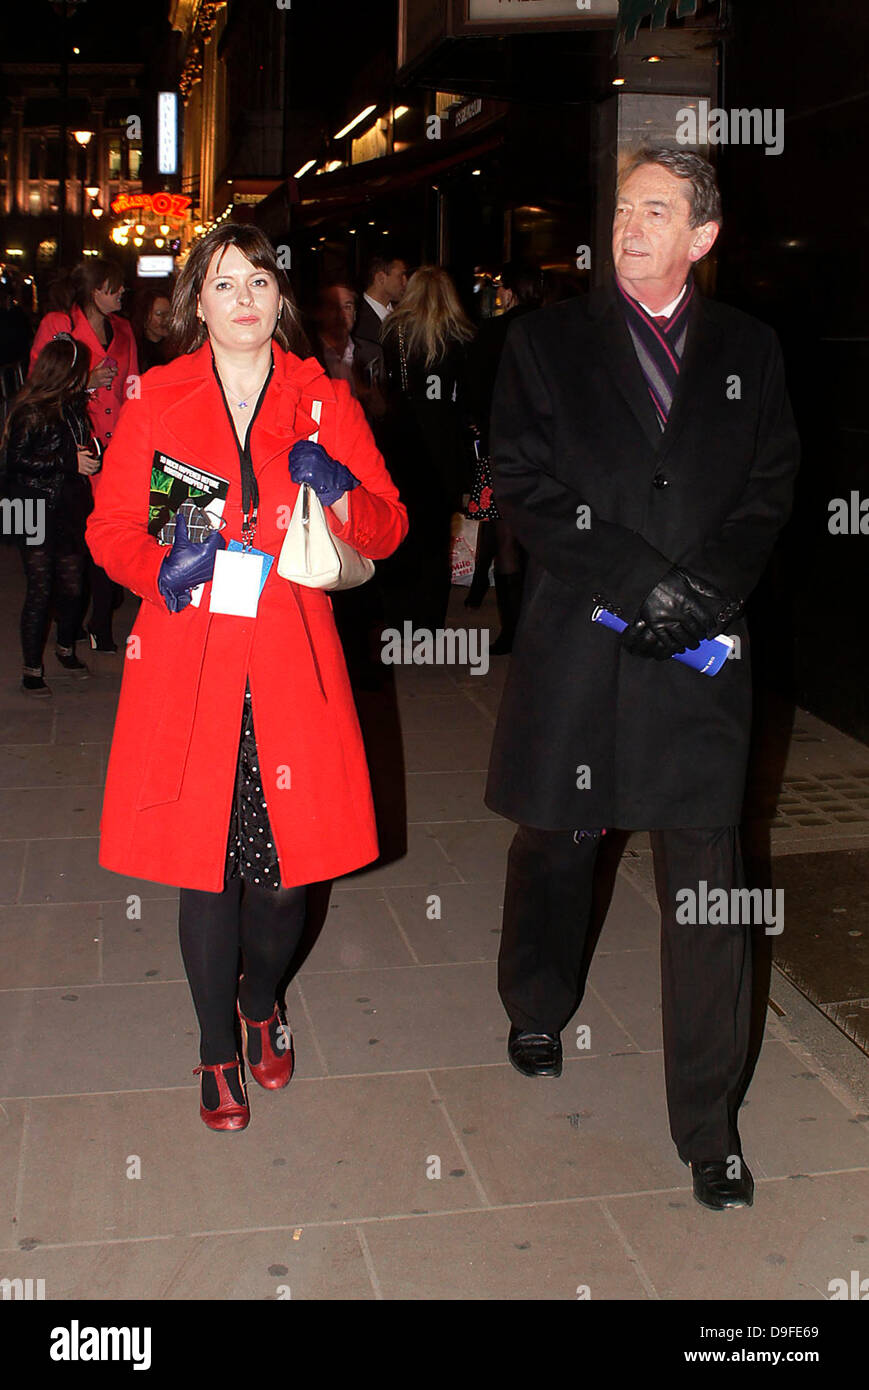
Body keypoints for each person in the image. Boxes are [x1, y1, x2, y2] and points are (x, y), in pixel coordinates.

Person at [484, 147, 800, 1211]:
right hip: (582, 645)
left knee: (707, 886)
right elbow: (516, 477)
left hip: (698, 663)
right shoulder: (544, 341)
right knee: (557, 846)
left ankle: (707, 1124)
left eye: (653, 211)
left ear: (699, 237)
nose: (627, 227)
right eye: (621, 208)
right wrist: (634, 578)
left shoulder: (750, 351)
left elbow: (767, 485)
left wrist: (701, 593)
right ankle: (535, 998)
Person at [85, 223, 407, 1132]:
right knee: (206, 870)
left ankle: (259, 1000)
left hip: (290, 659)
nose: (244, 299)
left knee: (283, 875)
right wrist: (159, 569)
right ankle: (215, 1048)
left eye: (259, 282)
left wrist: (339, 485)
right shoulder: (156, 397)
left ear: (280, 297)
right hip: (189, 660)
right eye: (224, 284)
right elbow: (108, 526)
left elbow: (387, 526)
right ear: (196, 302)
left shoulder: (319, 394)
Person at [30, 258, 139, 652]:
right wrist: (84, 382)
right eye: (115, 287)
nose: (122, 293)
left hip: (112, 450)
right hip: (68, 447)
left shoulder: (124, 330)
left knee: (108, 535)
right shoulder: (59, 325)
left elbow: (133, 390)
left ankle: (99, 622)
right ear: (95, 291)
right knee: (70, 544)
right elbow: (39, 384)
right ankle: (68, 620)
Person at [2, 333, 101, 694]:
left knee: (74, 584)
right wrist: (68, 462)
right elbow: (13, 463)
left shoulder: (72, 404)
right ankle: (31, 667)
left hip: (67, 504)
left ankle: (65, 647)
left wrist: (88, 456)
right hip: (26, 506)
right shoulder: (29, 408)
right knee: (40, 588)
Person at [379, 265, 475, 631]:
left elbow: (390, 388)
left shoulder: (395, 333)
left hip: (402, 440)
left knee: (401, 530)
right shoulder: (459, 337)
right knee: (437, 538)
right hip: (443, 444)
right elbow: (464, 398)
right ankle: (429, 620)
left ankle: (399, 615)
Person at [464, 262, 542, 650]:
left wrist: (481, 424)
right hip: (552, 450)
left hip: (506, 445)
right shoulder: (561, 329)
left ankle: (513, 630)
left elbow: (474, 389)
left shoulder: (495, 331)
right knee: (545, 533)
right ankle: (540, 625)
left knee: (507, 535)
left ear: (508, 292)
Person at [353, 255, 408, 364]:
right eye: (400, 276)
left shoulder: (404, 316)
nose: (405, 282)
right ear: (381, 278)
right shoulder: (356, 319)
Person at [130, 283, 174, 372]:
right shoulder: (134, 350)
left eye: (169, 314)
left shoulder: (176, 348)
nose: (166, 319)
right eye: (159, 314)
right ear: (144, 316)